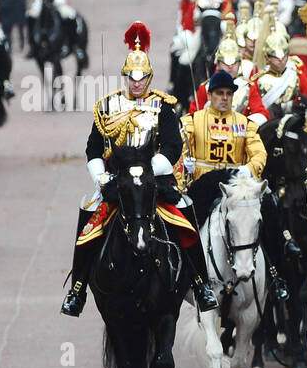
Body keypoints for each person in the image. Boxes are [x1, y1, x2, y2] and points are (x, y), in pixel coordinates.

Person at [61, 23, 218, 317]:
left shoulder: (163, 106)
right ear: (125, 77)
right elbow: (94, 149)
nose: (137, 84)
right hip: (116, 183)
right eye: (132, 79)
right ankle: (78, 289)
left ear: (149, 76)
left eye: (142, 78)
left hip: (154, 182)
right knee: (87, 219)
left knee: (186, 214)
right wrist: (101, 177)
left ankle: (200, 283)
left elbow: (172, 146)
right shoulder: (107, 107)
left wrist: (148, 171)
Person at [180, 70, 292, 301]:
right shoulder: (193, 121)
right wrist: (184, 166)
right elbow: (177, 153)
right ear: (210, 94)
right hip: (203, 184)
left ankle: (276, 275)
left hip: (236, 185)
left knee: (270, 209)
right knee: (183, 222)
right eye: (219, 93)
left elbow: (259, 153)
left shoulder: (245, 124)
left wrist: (247, 170)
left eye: (228, 94)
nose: (224, 98)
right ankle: (184, 276)